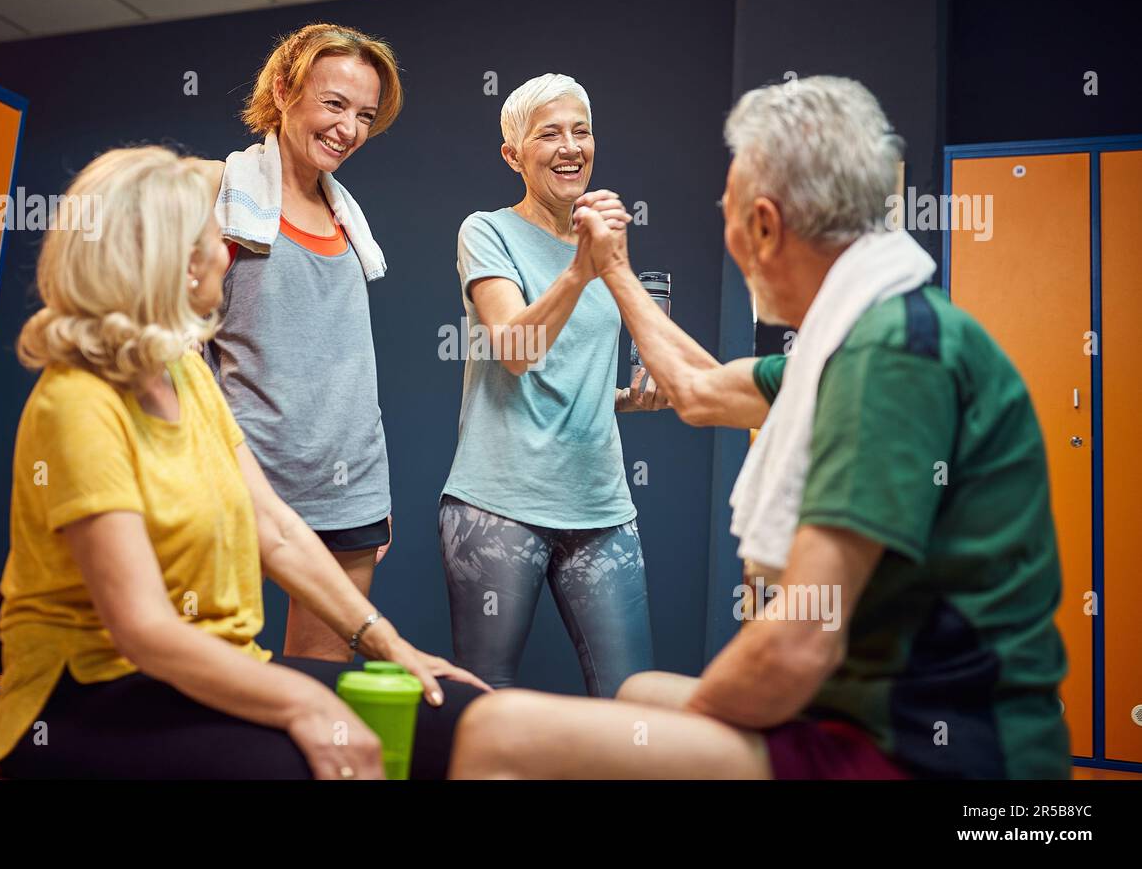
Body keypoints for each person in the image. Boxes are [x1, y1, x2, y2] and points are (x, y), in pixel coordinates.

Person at [448, 76, 1070, 779]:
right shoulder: (864, 336)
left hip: (928, 749)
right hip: (874, 702)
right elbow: (699, 391)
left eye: (730, 210)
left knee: (503, 730)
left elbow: (794, 647)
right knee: (639, 693)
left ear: (766, 225)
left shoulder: (888, 361)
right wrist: (611, 269)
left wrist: (691, 729)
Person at [0, 145, 487, 780]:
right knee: (325, 760)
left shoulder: (186, 374)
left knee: (462, 712)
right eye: (208, 240)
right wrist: (303, 700)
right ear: (160, 260)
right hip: (85, 698)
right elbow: (142, 631)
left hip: (210, 667)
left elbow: (274, 527)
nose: (226, 254)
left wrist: (395, 648)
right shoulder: (76, 404)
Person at [439, 73, 668, 699]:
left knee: (634, 699)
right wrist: (582, 269)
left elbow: (572, 374)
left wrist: (641, 392)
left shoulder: (600, 240)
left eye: (582, 131)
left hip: (599, 502)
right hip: (499, 499)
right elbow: (514, 350)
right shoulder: (487, 231)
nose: (571, 147)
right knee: (490, 699)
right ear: (514, 155)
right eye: (550, 135)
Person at [204, 24, 399, 662]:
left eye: (365, 115)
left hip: (347, 484)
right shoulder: (223, 193)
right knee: (208, 669)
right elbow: (180, 345)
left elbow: (350, 359)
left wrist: (375, 487)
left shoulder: (349, 217)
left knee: (320, 683)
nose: (349, 129)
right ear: (284, 91)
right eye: (335, 105)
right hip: (241, 474)